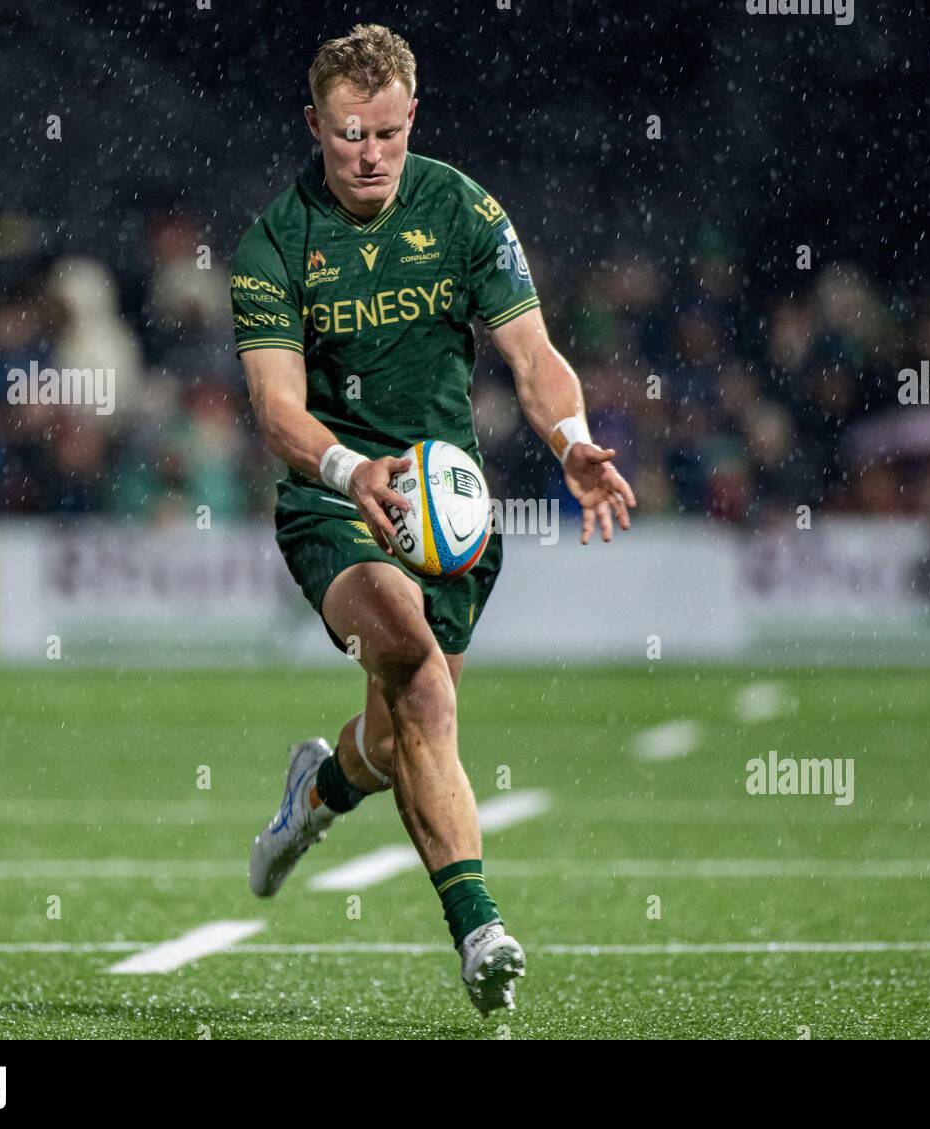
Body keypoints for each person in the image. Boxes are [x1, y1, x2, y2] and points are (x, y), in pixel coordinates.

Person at [229, 23, 635, 1015]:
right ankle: (478, 925)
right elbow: (276, 409)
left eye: (386, 134)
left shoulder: (463, 210)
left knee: (396, 729)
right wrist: (347, 466)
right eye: (346, 134)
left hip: (449, 513)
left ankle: (319, 789)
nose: (367, 154)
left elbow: (532, 358)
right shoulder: (276, 240)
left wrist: (572, 439)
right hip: (332, 502)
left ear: (413, 118)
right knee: (412, 664)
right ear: (313, 124)